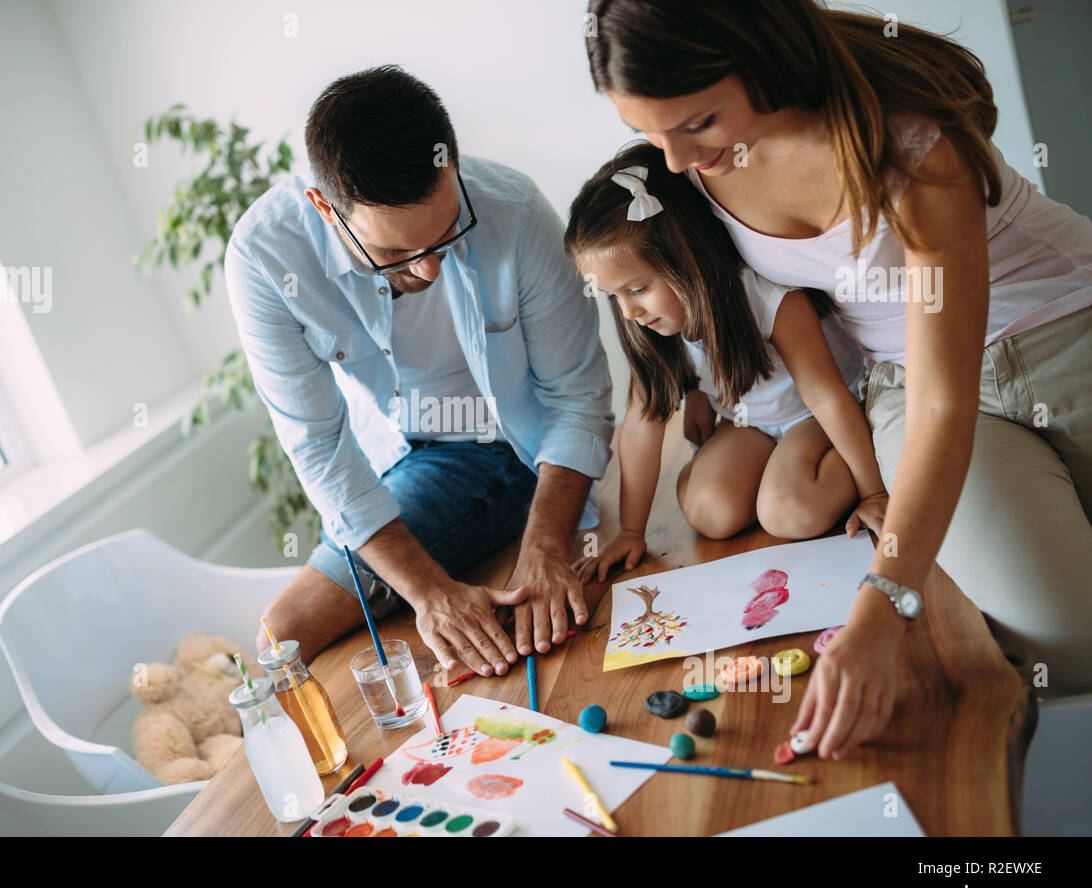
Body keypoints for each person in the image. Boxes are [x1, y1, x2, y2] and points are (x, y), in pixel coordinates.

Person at [585, 0, 1092, 759]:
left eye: (696, 125)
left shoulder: (909, 143)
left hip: (1065, 327)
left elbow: (948, 397)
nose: (677, 161)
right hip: (907, 385)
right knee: (1068, 642)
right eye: (649, 133)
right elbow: (656, 280)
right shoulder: (685, 177)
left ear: (757, 53)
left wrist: (880, 610)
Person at [225, 65, 614, 678]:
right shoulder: (263, 257)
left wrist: (545, 550)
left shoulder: (514, 210)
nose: (428, 270)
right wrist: (429, 593)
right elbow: (319, 449)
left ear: (452, 167)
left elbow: (577, 398)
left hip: (505, 449)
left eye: (445, 233)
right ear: (324, 208)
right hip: (387, 459)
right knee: (281, 635)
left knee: (290, 630)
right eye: (393, 253)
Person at [564, 143, 885, 587]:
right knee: (708, 512)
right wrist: (630, 532)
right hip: (749, 423)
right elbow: (642, 424)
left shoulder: (767, 297)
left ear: (686, 258)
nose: (628, 313)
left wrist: (874, 493)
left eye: (636, 289)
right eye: (612, 296)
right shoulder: (652, 326)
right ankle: (769, 467)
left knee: (790, 510)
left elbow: (824, 394)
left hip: (819, 414)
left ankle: (867, 459)